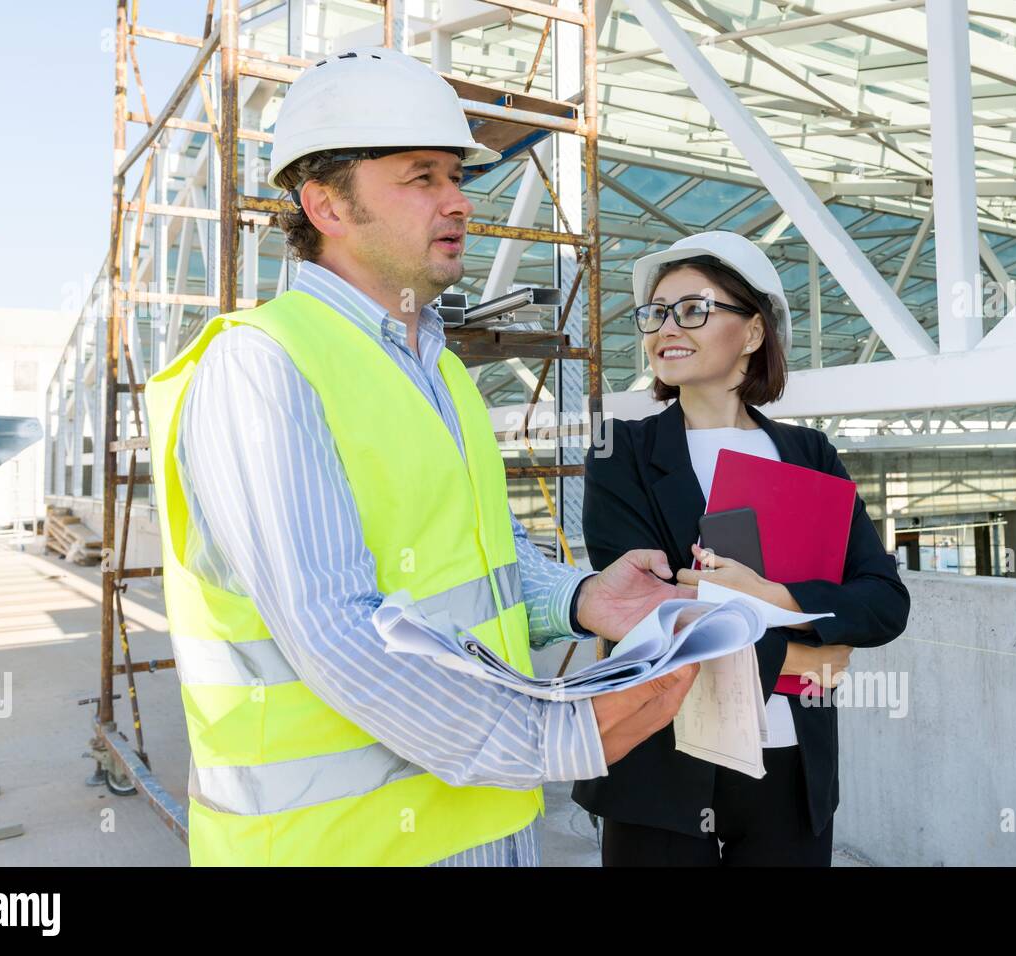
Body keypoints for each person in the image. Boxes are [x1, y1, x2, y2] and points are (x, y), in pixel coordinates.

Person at [143, 47, 699, 867]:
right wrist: (550, 737)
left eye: (458, 178)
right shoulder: (262, 365)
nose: (458, 202)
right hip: (342, 847)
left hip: (485, 823)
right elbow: (334, 628)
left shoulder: (438, 368)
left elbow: (474, 566)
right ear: (325, 205)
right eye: (421, 177)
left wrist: (583, 597)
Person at [571, 231, 910, 866]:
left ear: (753, 332)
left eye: (693, 309)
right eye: (655, 312)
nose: (665, 327)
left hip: (788, 760)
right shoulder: (624, 454)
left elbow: (884, 602)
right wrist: (812, 643)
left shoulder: (810, 455)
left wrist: (769, 596)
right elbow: (651, 610)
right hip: (661, 759)